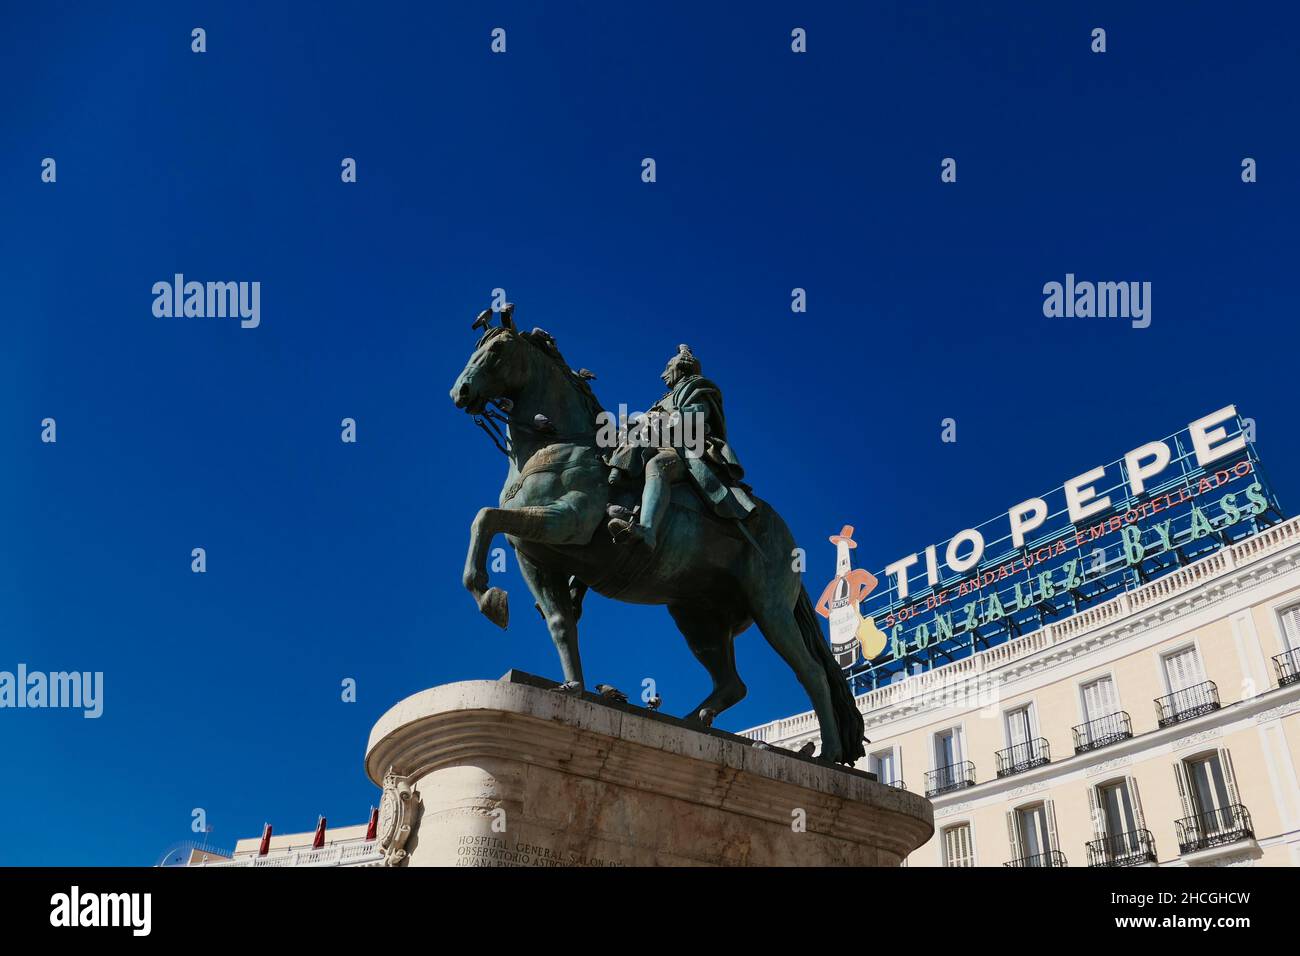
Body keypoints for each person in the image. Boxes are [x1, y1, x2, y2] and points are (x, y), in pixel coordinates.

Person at [606, 344, 754, 550]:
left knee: (658, 466)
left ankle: (647, 530)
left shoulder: (698, 388)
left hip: (686, 448)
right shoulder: (664, 398)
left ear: (682, 368)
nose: (662, 374)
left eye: (668, 368)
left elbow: (699, 414)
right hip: (654, 443)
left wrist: (663, 417)